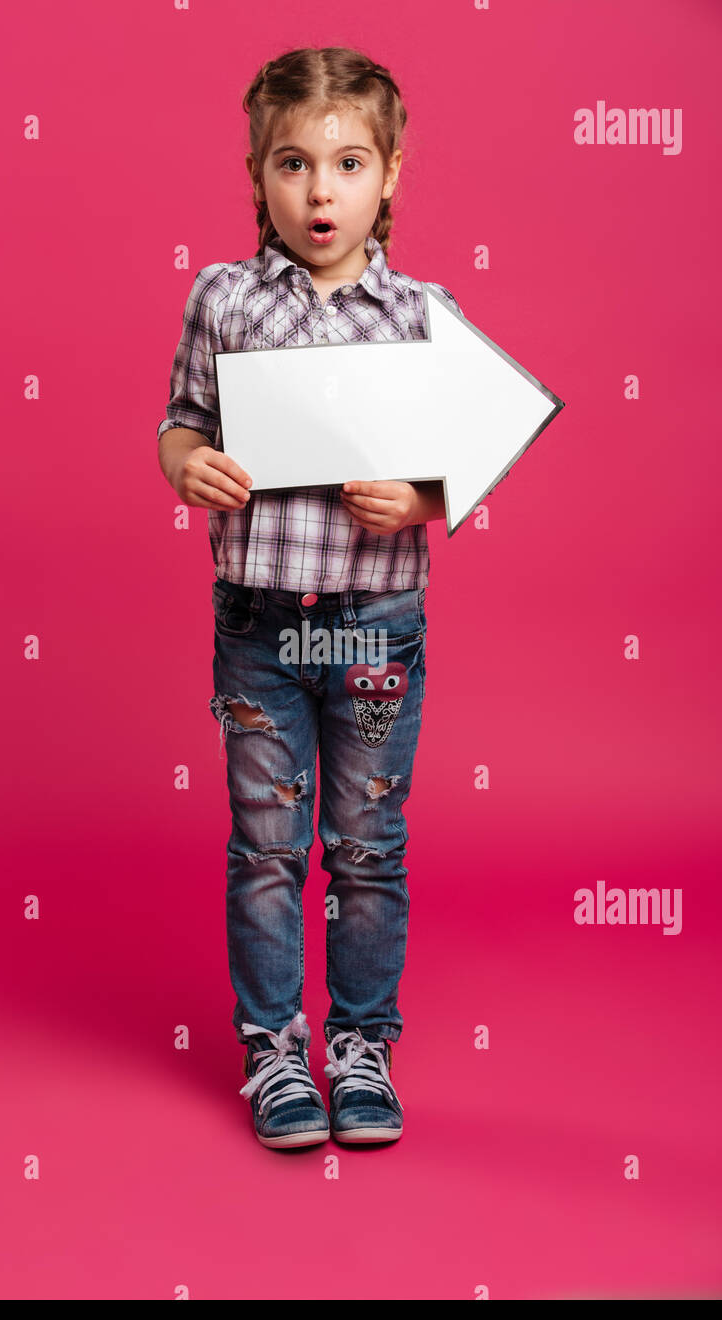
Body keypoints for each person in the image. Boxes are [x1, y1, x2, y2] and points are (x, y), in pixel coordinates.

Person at [157, 46, 470, 1150]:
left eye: (346, 162)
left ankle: (361, 1042)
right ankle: (274, 1047)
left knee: (367, 841)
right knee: (266, 847)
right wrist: (181, 462)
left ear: (390, 173)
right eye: (293, 163)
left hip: (376, 628)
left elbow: (473, 461)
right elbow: (181, 418)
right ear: (258, 173)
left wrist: (423, 496)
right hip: (257, 630)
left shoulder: (423, 314)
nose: (319, 189)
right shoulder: (222, 295)